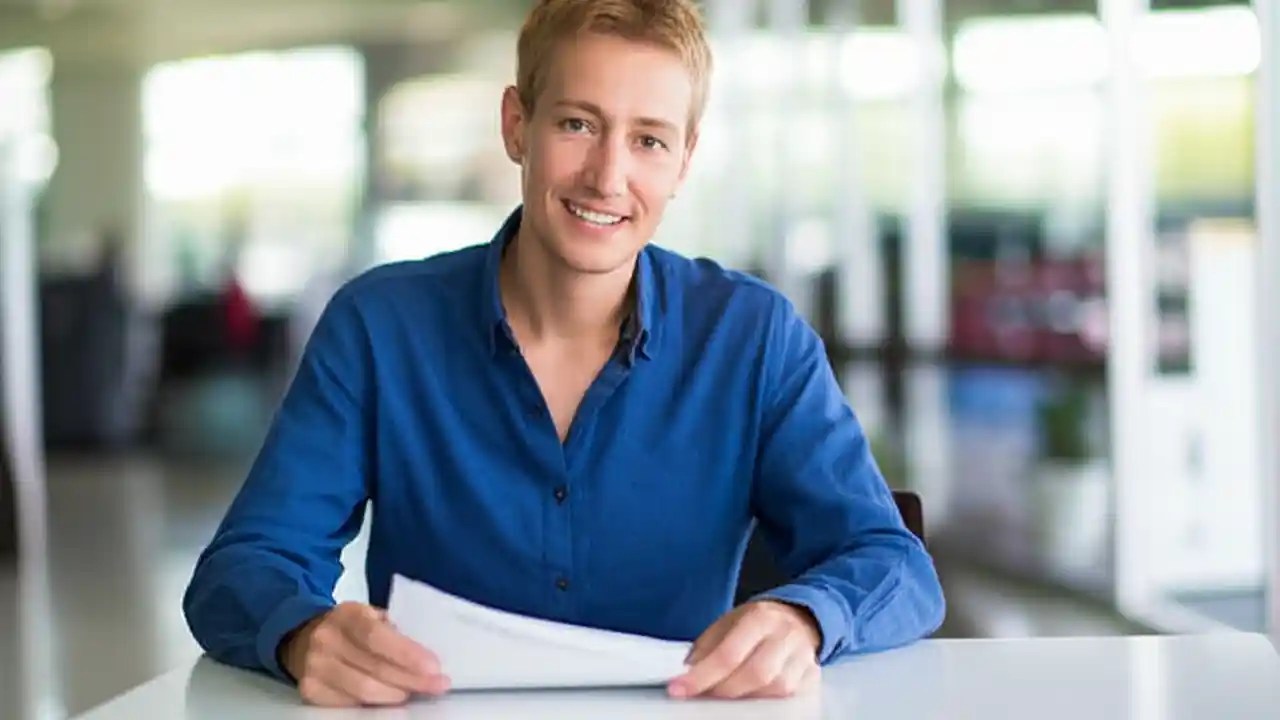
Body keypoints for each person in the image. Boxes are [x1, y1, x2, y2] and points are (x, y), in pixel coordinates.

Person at [183, 0, 945, 707]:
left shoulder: (753, 338)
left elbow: (892, 562)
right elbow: (244, 567)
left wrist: (805, 619)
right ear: (518, 124)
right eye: (578, 124)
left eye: (648, 139)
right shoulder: (379, 327)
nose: (608, 176)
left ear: (683, 161)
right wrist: (304, 633)